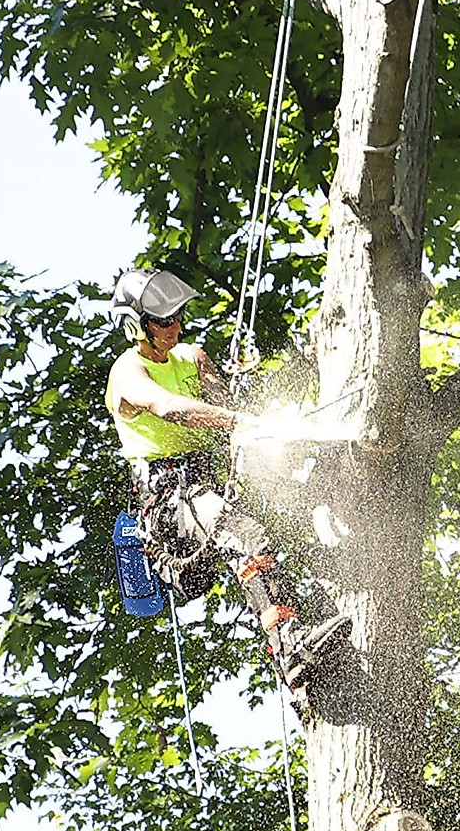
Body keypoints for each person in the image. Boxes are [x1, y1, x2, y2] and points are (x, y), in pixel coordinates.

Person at [104, 266, 349, 694]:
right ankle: (290, 645)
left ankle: (313, 627)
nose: (175, 326)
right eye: (163, 321)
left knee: (281, 520)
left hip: (210, 485)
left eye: (178, 316)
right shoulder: (127, 372)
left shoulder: (193, 357)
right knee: (244, 534)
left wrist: (251, 421)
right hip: (167, 498)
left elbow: (227, 410)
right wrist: (239, 421)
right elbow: (170, 408)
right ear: (137, 326)